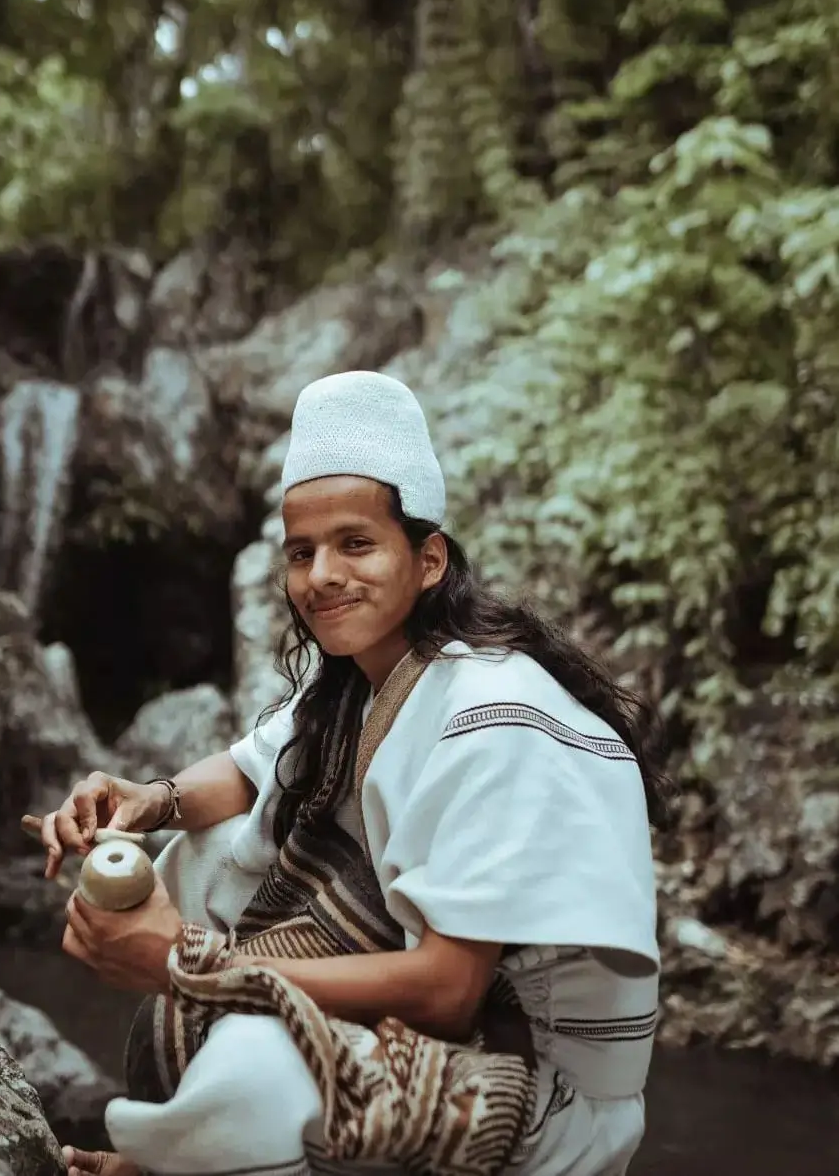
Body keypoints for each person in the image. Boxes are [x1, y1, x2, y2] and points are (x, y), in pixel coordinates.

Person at [43, 371, 669, 1176]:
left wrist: (187, 960)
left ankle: (213, 1146)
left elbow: (447, 988)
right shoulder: (362, 677)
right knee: (200, 849)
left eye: (356, 543)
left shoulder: (493, 711)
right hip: (455, 1025)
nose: (323, 576)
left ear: (429, 557)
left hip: (533, 1085)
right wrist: (146, 800)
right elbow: (247, 773)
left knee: (257, 1057)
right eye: (303, 552)